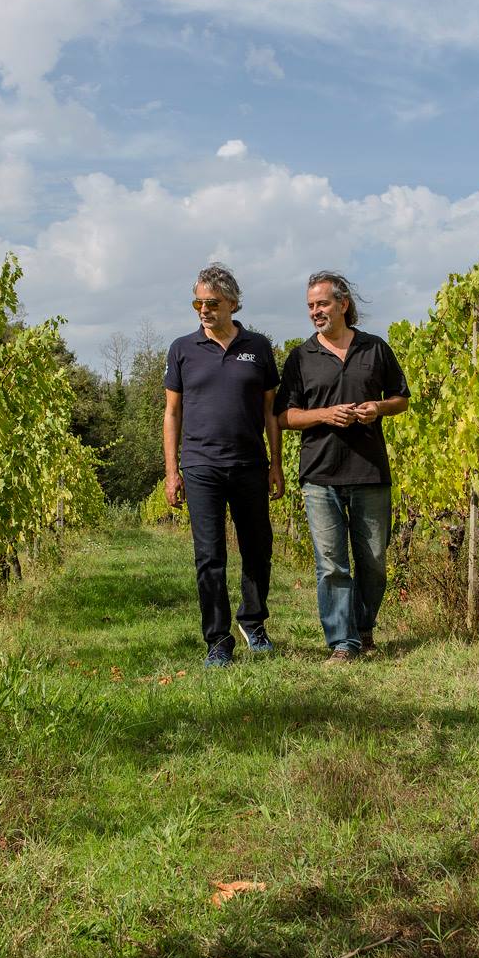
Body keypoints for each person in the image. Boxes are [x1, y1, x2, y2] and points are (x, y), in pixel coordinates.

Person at [275, 271, 410, 663]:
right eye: (311, 306)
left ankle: (363, 628)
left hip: (370, 471)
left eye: (322, 303)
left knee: (374, 562)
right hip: (319, 474)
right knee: (331, 564)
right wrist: (325, 414)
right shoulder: (301, 357)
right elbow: (284, 416)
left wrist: (378, 408)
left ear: (343, 304)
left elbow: (401, 398)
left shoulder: (375, 348)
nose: (315, 311)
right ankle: (342, 642)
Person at [164, 264, 284, 667]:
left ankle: (253, 622)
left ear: (232, 302)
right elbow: (172, 413)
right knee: (209, 557)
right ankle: (217, 640)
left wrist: (276, 464)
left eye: (212, 303)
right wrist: (172, 471)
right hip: (201, 467)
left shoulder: (258, 347)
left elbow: (270, 411)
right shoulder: (182, 349)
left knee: (258, 549)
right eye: (197, 303)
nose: (204, 309)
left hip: (250, 463)